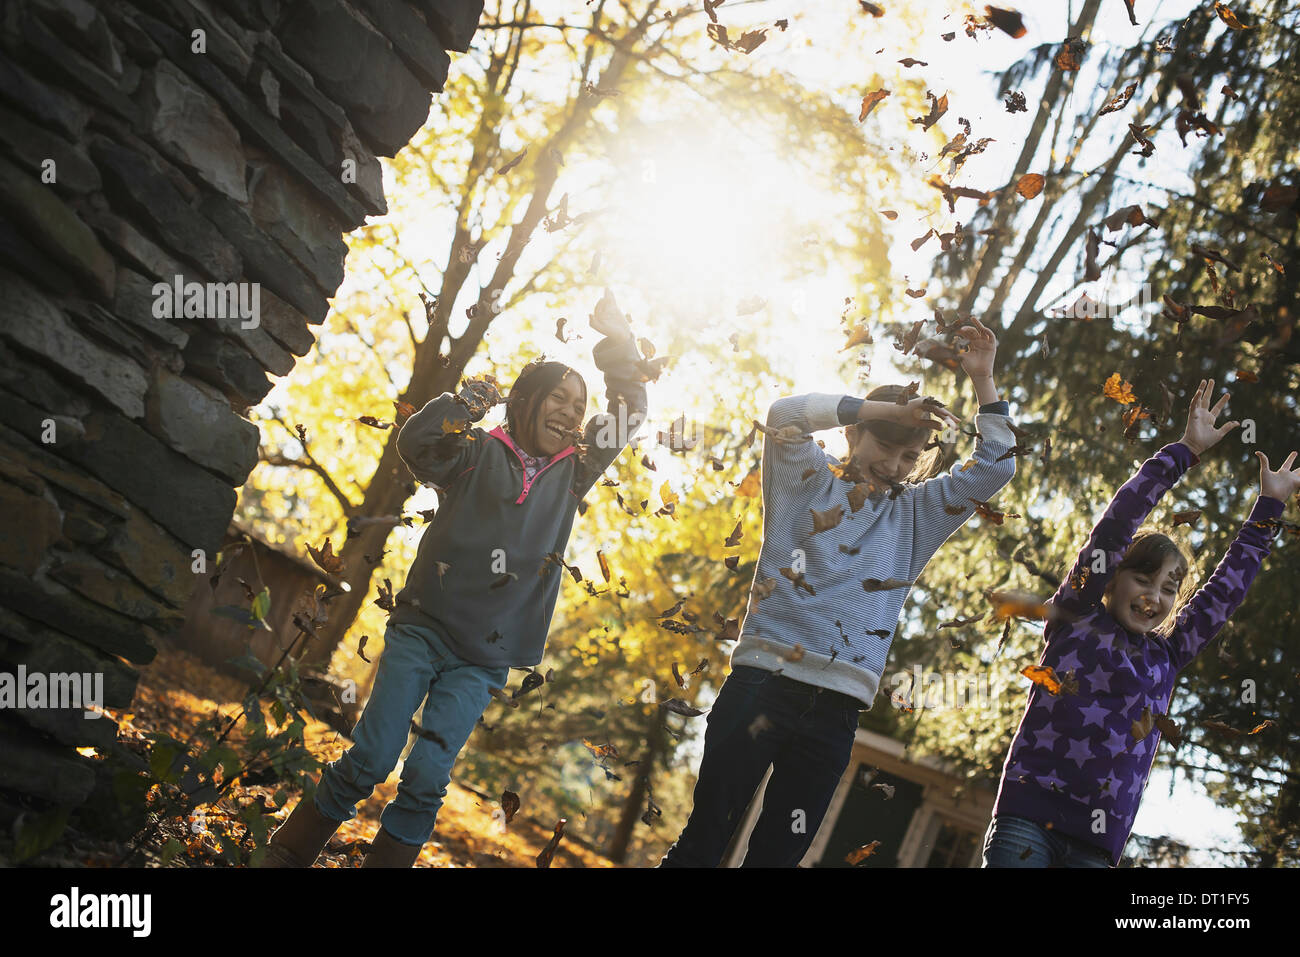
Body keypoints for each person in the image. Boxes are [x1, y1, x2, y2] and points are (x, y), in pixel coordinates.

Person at [259, 289, 647, 867]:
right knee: (372, 755)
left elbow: (631, 409)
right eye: (557, 398)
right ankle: (288, 854)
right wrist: (466, 404)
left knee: (427, 775)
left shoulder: (577, 473)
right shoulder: (474, 452)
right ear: (525, 401)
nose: (570, 411)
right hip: (423, 631)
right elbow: (416, 444)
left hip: (483, 658)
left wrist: (619, 345)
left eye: (578, 403)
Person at [660, 316, 1017, 867]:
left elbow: (996, 467)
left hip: (836, 711)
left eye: (909, 456)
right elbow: (784, 415)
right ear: (852, 433)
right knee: (706, 840)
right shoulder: (803, 476)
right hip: (761, 684)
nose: (895, 465)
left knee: (778, 857)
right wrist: (883, 409)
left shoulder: (916, 515)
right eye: (885, 445)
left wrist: (984, 380)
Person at [983, 378, 1297, 868]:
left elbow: (1225, 590)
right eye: (1143, 578)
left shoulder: (1168, 654)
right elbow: (1117, 521)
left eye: (1169, 589)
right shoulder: (1076, 614)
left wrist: (1268, 510)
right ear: (1111, 577)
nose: (1154, 596)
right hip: (1028, 818)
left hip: (1096, 841)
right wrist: (1186, 450)